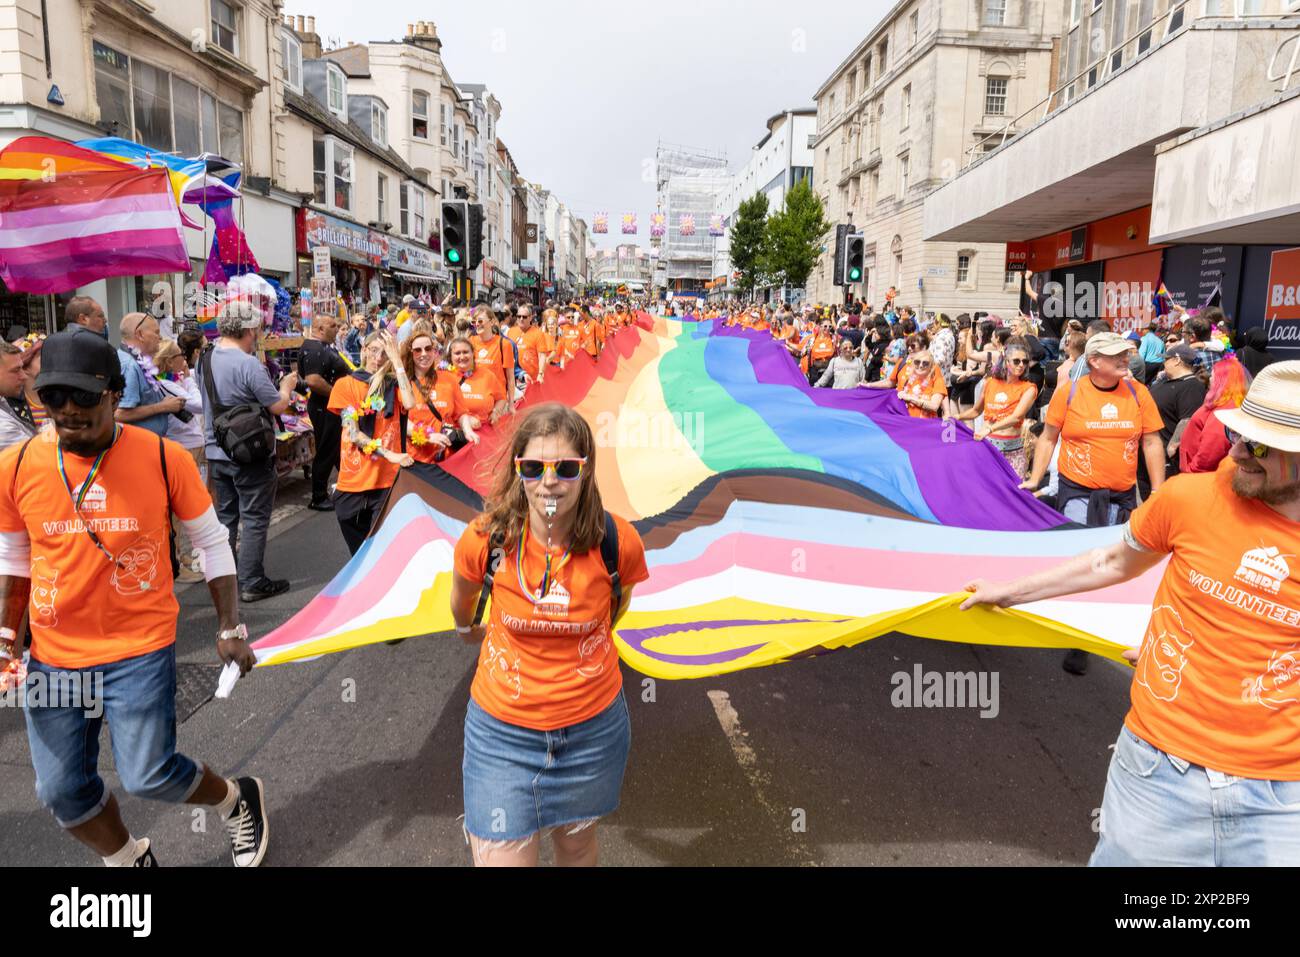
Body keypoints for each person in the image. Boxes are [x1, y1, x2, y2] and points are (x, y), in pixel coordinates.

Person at [961, 361, 1300, 866]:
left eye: (1258, 444)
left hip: (1281, 798)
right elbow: (1111, 562)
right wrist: (1008, 592)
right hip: (1160, 773)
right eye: (1236, 433)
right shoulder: (1188, 498)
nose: (1235, 451)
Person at [0, 330, 268, 867]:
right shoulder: (17, 465)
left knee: (148, 773)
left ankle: (237, 800)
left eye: (81, 397)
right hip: (54, 660)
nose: (66, 411)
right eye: (52, 397)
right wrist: (8, 640)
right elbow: (15, 560)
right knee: (60, 791)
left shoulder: (163, 458)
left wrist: (230, 626)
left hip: (138, 647)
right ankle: (127, 858)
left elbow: (213, 543)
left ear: (115, 396)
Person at [448, 403, 649, 867]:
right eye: (534, 467)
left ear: (587, 470)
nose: (549, 481)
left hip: (592, 732)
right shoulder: (486, 540)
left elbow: (613, 612)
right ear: (518, 470)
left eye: (566, 467)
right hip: (501, 735)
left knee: (577, 848)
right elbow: (461, 599)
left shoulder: (618, 542)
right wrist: (465, 628)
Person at [1024, 331, 1166, 675]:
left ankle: (1085, 636)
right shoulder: (1069, 392)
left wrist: (1158, 491)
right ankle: (1073, 633)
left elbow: (1151, 442)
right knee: (1084, 562)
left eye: (1125, 354)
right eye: (1116, 355)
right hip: (1077, 494)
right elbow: (1048, 437)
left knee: (1113, 564)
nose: (1124, 360)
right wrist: (1034, 477)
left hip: (1120, 497)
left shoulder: (1138, 392)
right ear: (1094, 362)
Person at [198, 301, 299, 602]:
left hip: (217, 450)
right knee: (254, 517)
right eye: (256, 330)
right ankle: (252, 580)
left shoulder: (205, 358)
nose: (257, 335)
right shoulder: (248, 364)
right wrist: (287, 386)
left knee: (226, 517)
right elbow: (277, 405)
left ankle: (226, 578)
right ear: (248, 330)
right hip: (250, 452)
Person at [327, 331, 416, 555]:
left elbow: (410, 402)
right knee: (358, 555)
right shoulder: (345, 385)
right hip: (353, 482)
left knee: (383, 553)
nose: (378, 357)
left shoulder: (393, 385)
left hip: (386, 483)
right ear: (364, 350)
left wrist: (397, 362)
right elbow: (354, 434)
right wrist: (388, 453)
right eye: (374, 350)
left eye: (385, 353)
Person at [954, 342, 1038, 474]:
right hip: (988, 447)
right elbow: (976, 411)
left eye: (1025, 361)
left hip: (1013, 453)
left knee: (1010, 492)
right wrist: (957, 417)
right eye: (1016, 361)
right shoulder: (990, 383)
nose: (1021, 365)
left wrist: (990, 428)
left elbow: (1016, 417)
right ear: (1006, 361)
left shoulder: (1029, 388)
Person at [297, 311, 351, 512]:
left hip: (330, 406)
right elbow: (313, 380)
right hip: (325, 407)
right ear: (320, 329)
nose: (336, 330)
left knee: (335, 448)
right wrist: (338, 394)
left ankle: (347, 485)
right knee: (327, 450)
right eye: (333, 326)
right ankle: (318, 497)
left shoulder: (321, 347)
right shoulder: (314, 348)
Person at [403, 324, 476, 460]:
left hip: (448, 456)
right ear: (411, 353)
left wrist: (467, 430)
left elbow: (461, 413)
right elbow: (403, 422)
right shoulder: (404, 383)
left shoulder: (449, 378)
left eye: (428, 349)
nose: (424, 354)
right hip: (416, 458)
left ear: (434, 351)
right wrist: (428, 436)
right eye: (418, 350)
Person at [1144, 343, 1207, 491]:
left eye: (1166, 359)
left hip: (1166, 458)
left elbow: (1188, 419)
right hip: (1150, 451)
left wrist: (1172, 447)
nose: (1163, 363)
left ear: (1176, 360)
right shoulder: (1166, 381)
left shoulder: (1191, 385)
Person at [1179, 356, 1251, 474]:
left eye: (1213, 375)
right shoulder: (1226, 403)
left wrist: (1192, 470)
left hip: (1200, 476)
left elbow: (1212, 448)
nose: (1210, 379)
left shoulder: (1225, 409)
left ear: (1221, 380)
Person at [115, 313, 182, 436]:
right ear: (140, 334)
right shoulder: (130, 365)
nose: (160, 337)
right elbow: (119, 414)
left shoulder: (136, 360)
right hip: (138, 447)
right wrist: (163, 406)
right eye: (156, 332)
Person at [0, 340, 35, 451]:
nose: (24, 376)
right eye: (16, 370)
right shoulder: (2, 426)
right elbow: (34, 456)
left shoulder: (3, 401)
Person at [515, 305, 550, 388]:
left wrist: (541, 373)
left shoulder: (538, 334)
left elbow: (542, 356)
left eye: (524, 317)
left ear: (530, 318)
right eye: (519, 316)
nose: (521, 319)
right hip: (515, 380)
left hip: (532, 380)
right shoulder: (511, 332)